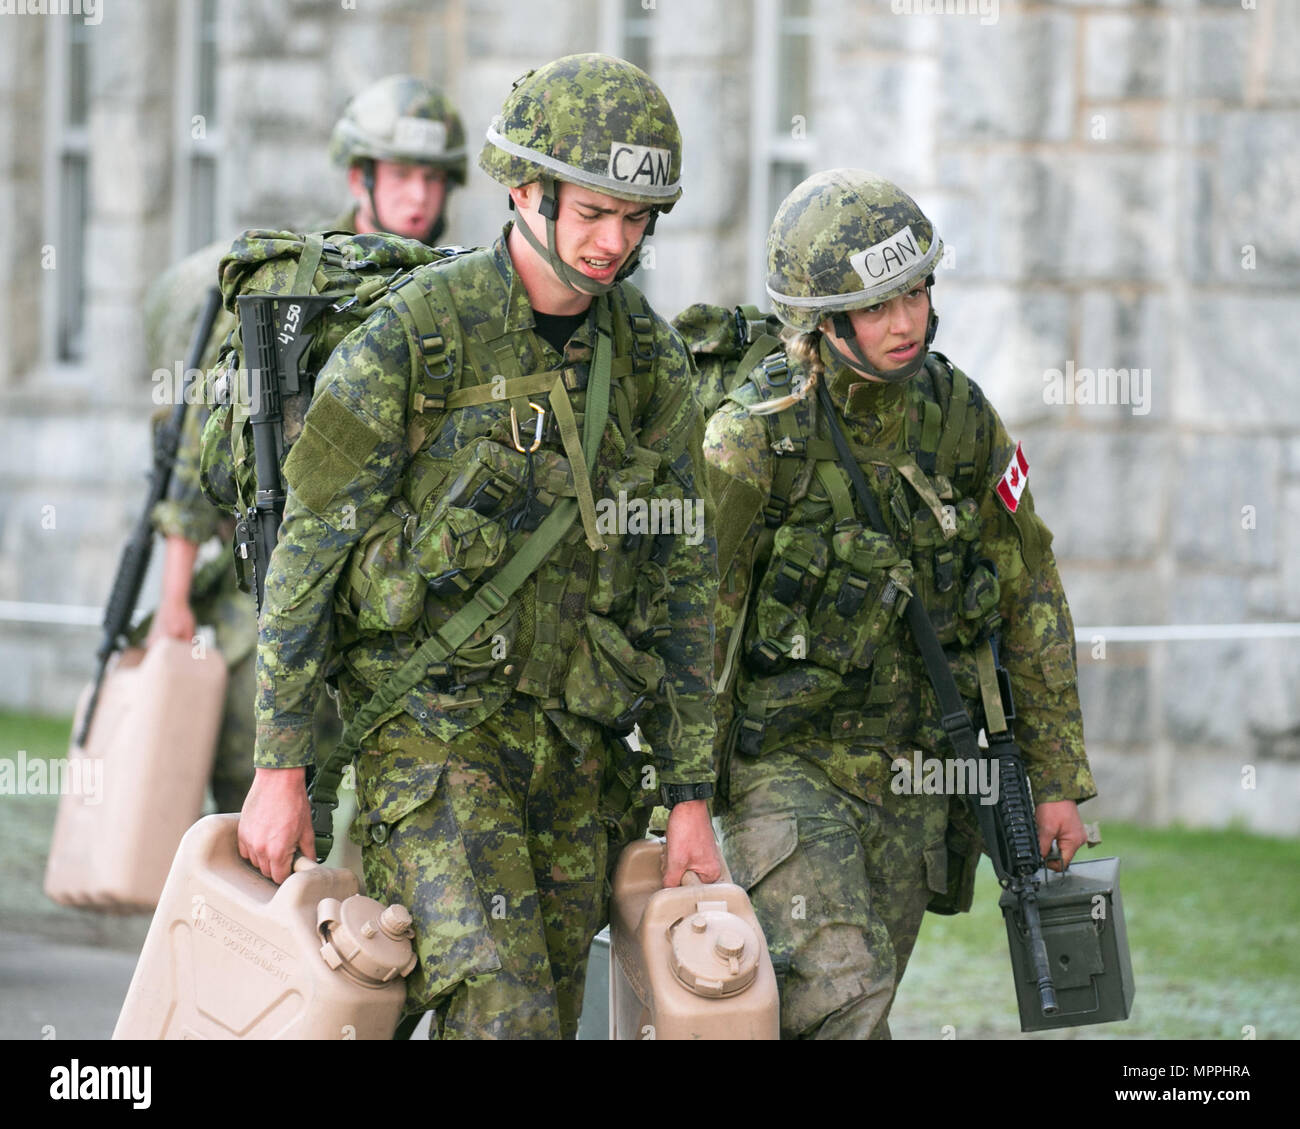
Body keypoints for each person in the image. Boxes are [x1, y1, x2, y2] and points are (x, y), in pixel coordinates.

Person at [236, 53, 723, 1040]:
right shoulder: (416, 334)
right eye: (591, 212)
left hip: (578, 759)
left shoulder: (650, 361)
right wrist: (280, 767)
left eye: (635, 220)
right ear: (521, 189)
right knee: (505, 1013)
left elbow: (683, 583)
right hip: (431, 739)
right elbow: (308, 547)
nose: (613, 242)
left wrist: (689, 793)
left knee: (527, 1019)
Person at [703, 169, 1097, 1040]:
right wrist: (682, 799)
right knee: (843, 998)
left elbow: (1031, 588)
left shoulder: (959, 416)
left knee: (842, 1011)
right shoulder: (752, 437)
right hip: (786, 767)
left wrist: (1059, 779)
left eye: (917, 291)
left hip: (921, 776)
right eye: (879, 305)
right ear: (820, 319)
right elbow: (703, 624)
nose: (907, 320)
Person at [146, 76, 466, 814]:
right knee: (261, 802)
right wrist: (173, 598)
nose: (418, 195)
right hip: (280, 579)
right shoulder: (298, 280)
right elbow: (206, 446)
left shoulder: (459, 292)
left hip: (398, 588)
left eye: (431, 177)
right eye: (401, 175)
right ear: (361, 177)